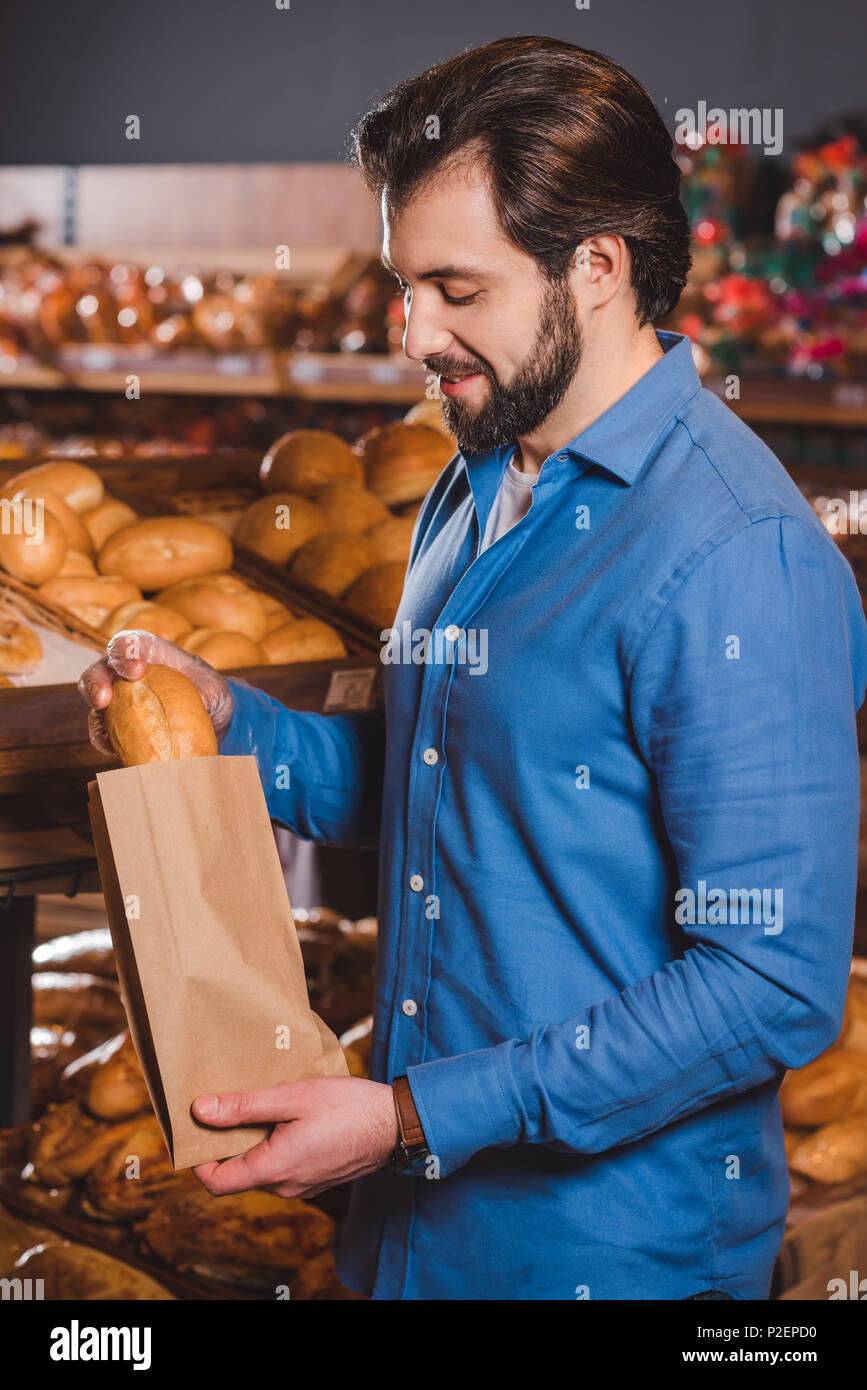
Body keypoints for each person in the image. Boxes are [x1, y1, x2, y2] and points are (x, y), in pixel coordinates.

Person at [80, 36, 867, 1300]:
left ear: (596, 266)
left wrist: (407, 1117)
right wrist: (237, 727)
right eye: (403, 285)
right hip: (406, 1245)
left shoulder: (738, 555)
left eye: (455, 288)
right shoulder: (476, 482)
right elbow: (451, 787)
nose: (412, 334)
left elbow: (767, 987)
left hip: (605, 1263)